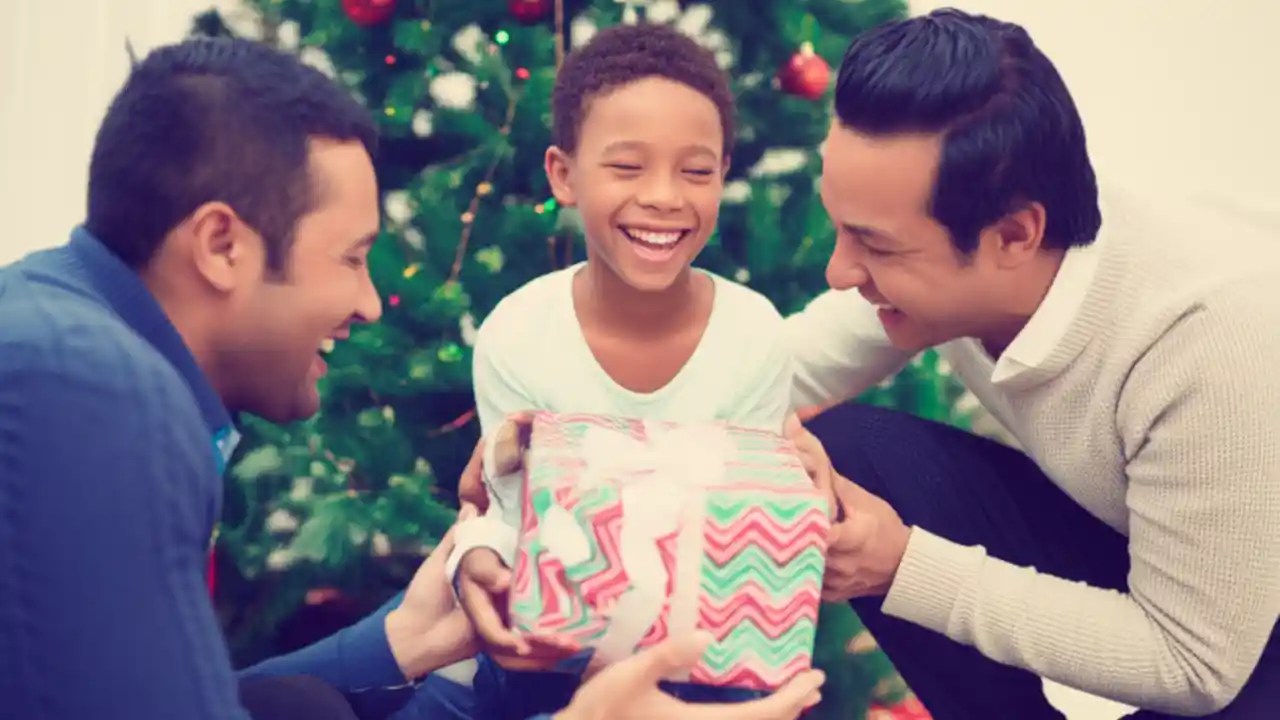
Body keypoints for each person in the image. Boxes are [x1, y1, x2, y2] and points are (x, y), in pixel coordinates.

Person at [0, 36, 821, 720]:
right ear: (222, 246)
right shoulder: (99, 398)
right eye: (353, 258)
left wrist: (400, 644)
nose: (367, 302)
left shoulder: (61, 326)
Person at [780, 8, 1280, 720]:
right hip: (1153, 541)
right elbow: (779, 373)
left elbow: (1196, 664)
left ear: (1014, 236)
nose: (838, 271)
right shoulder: (954, 241)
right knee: (855, 453)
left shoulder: (1206, 339)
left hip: (1248, 611)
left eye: (876, 246)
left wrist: (905, 568)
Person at [446, 22, 808, 720]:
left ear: (723, 177)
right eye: (627, 166)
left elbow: (746, 535)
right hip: (553, 660)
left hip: (703, 658)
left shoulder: (754, 333)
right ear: (564, 175)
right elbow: (508, 515)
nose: (665, 197)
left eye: (696, 171)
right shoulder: (518, 335)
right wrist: (477, 554)